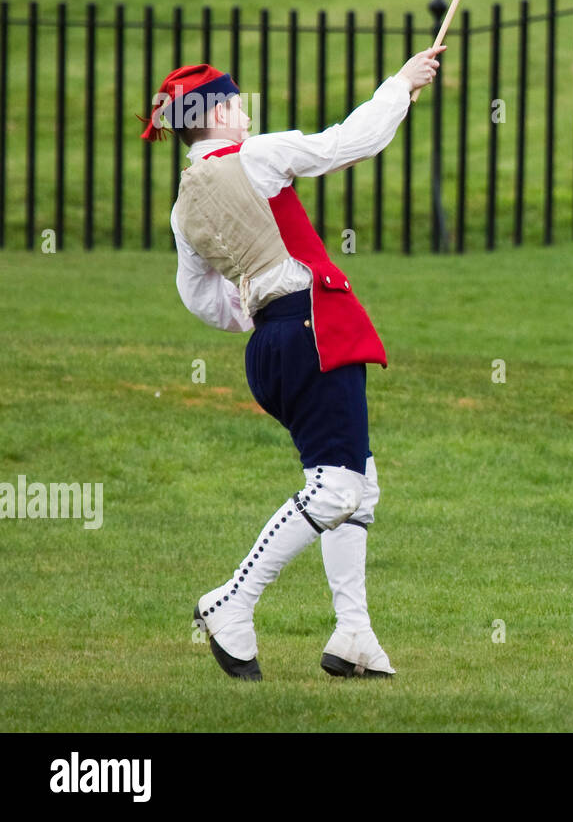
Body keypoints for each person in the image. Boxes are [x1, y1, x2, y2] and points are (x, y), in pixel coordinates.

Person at [141, 44, 444, 680]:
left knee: (358, 481)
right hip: (313, 328)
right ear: (216, 112)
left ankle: (354, 635)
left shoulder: (181, 205)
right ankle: (231, 603)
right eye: (235, 100)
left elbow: (198, 298)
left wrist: (258, 309)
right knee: (336, 486)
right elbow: (346, 144)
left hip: (273, 343)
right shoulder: (256, 157)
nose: (244, 109)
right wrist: (402, 83)